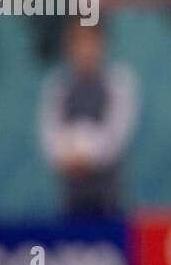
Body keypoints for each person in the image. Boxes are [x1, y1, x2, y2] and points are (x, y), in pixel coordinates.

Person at [37, 20, 139, 219]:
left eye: (89, 42)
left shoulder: (119, 82)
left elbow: (116, 133)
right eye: (77, 43)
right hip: (71, 196)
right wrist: (66, 156)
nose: (84, 50)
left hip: (108, 196)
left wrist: (87, 154)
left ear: (102, 44)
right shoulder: (58, 86)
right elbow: (49, 134)